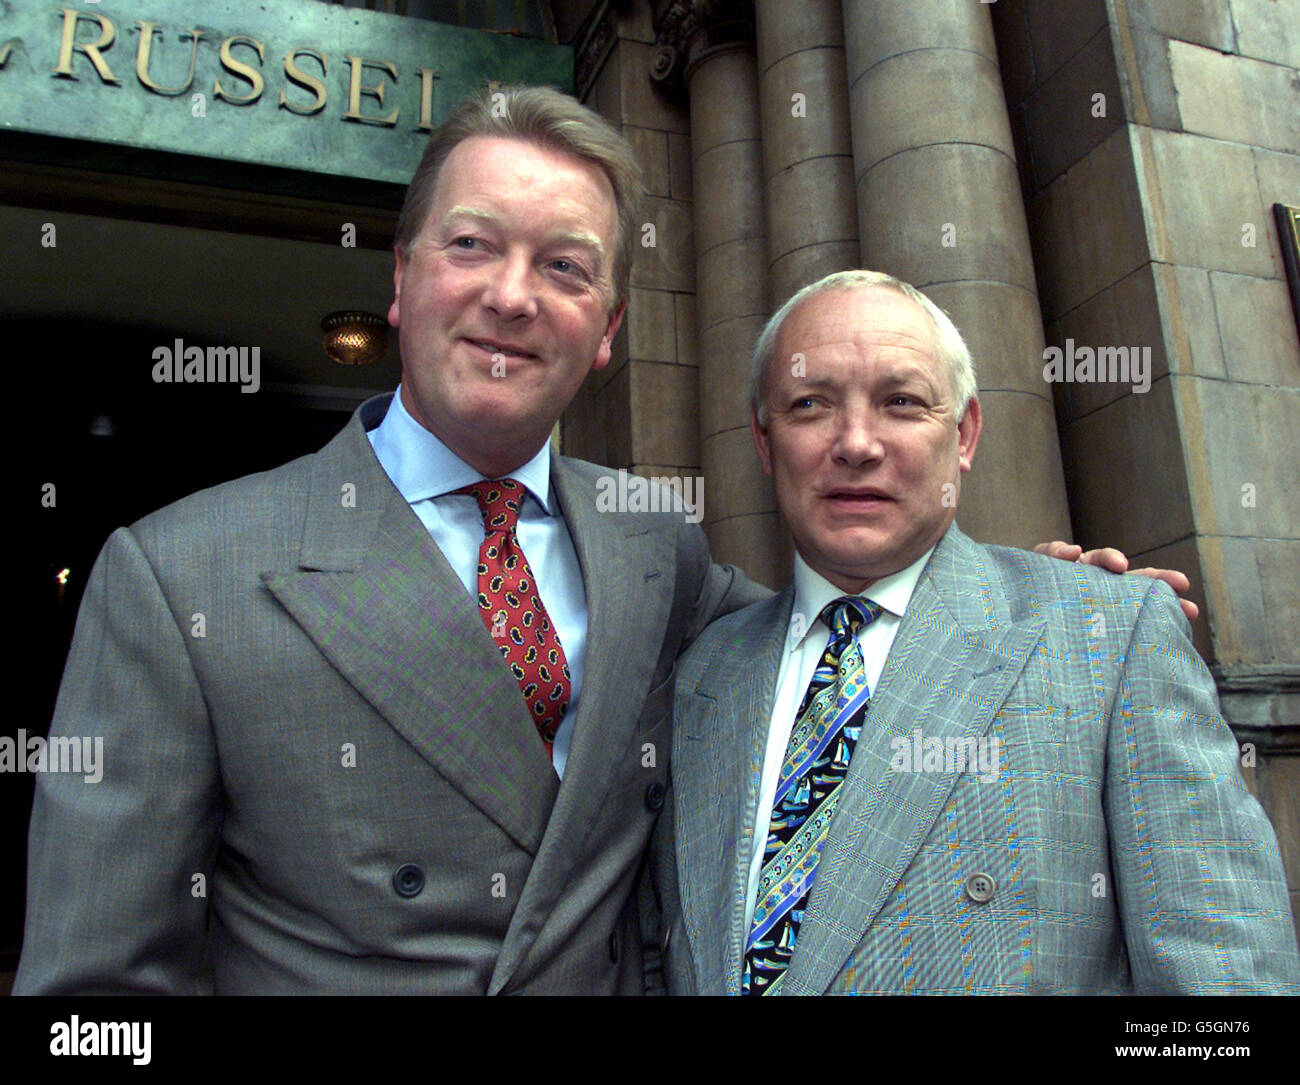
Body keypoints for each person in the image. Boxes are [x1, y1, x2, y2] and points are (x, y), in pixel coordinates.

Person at [15, 87, 1192, 996]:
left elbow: (840, 628)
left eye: (565, 267)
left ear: (610, 329)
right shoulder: (180, 573)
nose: (514, 296)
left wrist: (1041, 604)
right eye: (472, 246)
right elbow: (93, 994)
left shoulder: (654, 547)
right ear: (401, 275)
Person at [656, 269, 1300, 995]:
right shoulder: (705, 670)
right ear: (766, 441)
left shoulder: (1110, 640)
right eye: (810, 404)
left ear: (963, 433)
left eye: (901, 401)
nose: (857, 443)